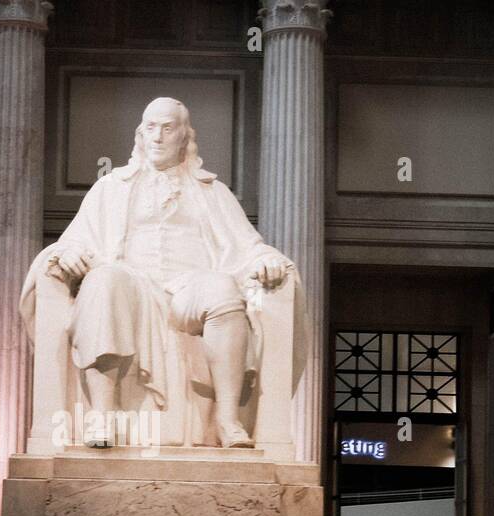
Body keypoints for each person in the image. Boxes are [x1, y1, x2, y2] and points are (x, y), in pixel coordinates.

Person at [20, 97, 300, 448]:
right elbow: (75, 241)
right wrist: (67, 252)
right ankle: (101, 416)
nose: (158, 136)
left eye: (168, 128)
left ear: (184, 136)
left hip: (190, 287)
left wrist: (264, 258)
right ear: (140, 134)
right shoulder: (110, 187)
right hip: (131, 284)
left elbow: (247, 245)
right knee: (103, 280)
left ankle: (227, 421)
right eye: (150, 127)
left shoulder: (212, 191)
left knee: (223, 290)